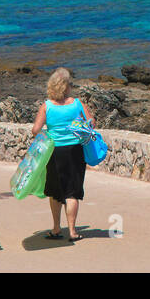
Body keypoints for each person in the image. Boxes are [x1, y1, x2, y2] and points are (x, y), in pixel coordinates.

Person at [30, 68, 95, 240]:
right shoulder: (77, 104)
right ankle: (73, 232)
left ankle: (57, 228)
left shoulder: (47, 106)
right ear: (66, 86)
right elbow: (91, 123)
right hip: (75, 150)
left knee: (55, 192)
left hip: (54, 151)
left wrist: (49, 136)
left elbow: (35, 130)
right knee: (73, 192)